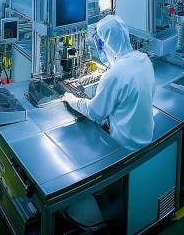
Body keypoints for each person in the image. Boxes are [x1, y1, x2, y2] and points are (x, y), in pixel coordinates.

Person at [63, 15, 155, 151]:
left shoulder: (114, 75)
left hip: (125, 145)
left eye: (101, 44)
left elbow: (94, 112)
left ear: (108, 44)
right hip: (147, 136)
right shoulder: (144, 60)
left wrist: (71, 99)